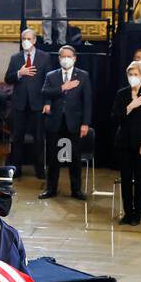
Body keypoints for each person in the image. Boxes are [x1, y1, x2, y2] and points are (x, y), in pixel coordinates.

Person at [40, 44, 92, 200]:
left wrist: (85, 123)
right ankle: (51, 189)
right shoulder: (51, 75)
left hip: (74, 123)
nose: (66, 59)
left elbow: (87, 101)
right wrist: (63, 87)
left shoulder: (83, 75)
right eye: (64, 56)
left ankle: (76, 190)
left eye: (69, 56)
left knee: (74, 158)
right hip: (55, 122)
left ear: (74, 58)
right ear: (59, 58)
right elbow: (45, 91)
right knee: (53, 158)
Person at [111, 60, 141, 224]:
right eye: (130, 75)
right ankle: (127, 213)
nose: (133, 77)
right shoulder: (121, 94)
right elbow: (115, 118)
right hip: (123, 142)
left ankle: (137, 213)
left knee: (139, 180)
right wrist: (130, 106)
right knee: (125, 179)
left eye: (136, 75)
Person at [4, 28, 50, 180]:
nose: (26, 41)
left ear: (35, 40)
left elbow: (49, 81)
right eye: (24, 38)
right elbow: (8, 78)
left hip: (38, 104)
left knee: (38, 138)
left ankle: (40, 169)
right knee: (17, 138)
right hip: (19, 104)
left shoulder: (44, 57)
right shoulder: (15, 58)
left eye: (29, 38)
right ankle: (16, 169)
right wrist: (19, 73)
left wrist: (47, 102)